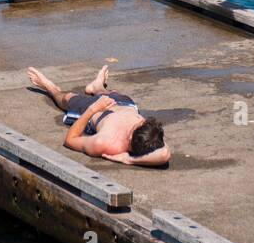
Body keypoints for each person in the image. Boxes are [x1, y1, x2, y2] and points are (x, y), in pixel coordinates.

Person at [26, 65, 171, 167]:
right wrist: (131, 159)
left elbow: (70, 140)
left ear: (129, 139)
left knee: (66, 98)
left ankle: (50, 87)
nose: (140, 120)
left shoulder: (105, 143)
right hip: (126, 104)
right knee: (110, 94)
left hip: (98, 113)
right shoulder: (152, 137)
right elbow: (164, 154)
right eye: (142, 122)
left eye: (136, 126)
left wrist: (92, 109)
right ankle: (97, 87)